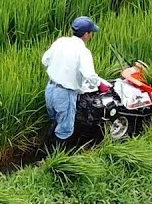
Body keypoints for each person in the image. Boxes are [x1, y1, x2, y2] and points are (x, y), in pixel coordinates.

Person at [41, 16, 111, 148]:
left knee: (55, 120)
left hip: (50, 88)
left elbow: (45, 60)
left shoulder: (60, 41)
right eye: (91, 32)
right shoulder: (83, 51)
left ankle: (45, 149)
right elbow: (89, 75)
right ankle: (57, 159)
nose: (91, 35)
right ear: (86, 34)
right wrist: (100, 85)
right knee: (65, 130)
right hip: (65, 94)